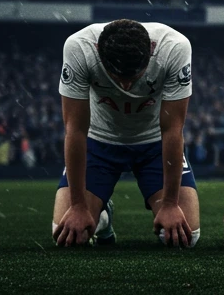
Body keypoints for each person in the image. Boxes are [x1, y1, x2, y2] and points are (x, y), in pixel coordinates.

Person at [52, 18, 198, 248]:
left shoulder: (175, 47)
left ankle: (100, 208)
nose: (126, 87)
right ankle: (102, 215)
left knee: (186, 238)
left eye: (134, 76)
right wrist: (78, 206)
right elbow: (75, 129)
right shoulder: (79, 47)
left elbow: (172, 129)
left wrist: (170, 204)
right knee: (69, 236)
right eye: (117, 76)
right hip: (98, 139)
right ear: (98, 50)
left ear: (151, 49)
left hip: (154, 143)